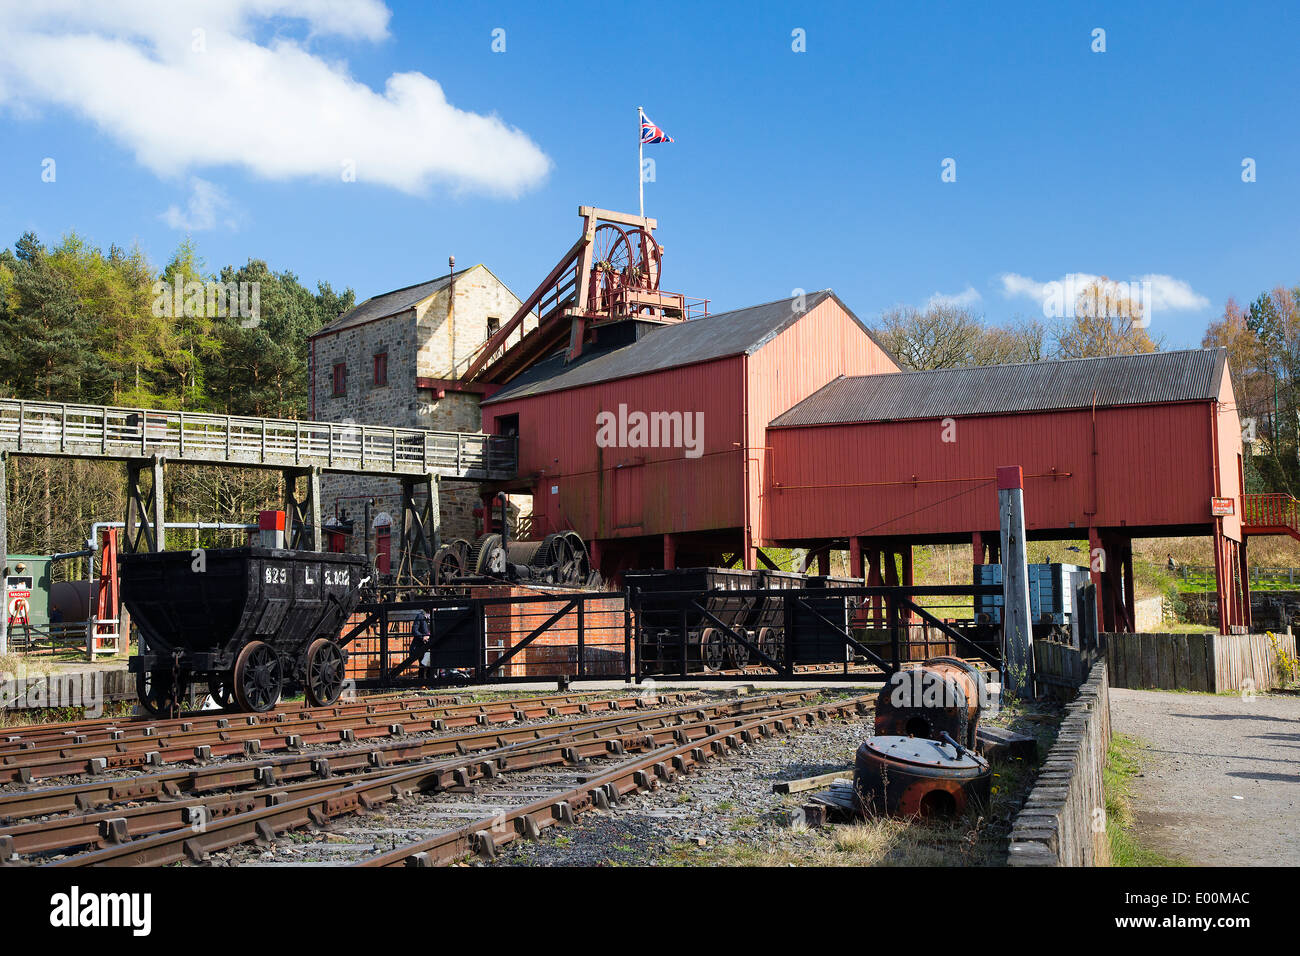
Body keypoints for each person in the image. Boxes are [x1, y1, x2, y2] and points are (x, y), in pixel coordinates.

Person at [411, 609, 432, 685]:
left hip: (432, 644)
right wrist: (423, 637)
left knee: (431, 665)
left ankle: (430, 683)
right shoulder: (420, 616)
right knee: (423, 664)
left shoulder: (434, 616)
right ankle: (421, 683)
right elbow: (414, 630)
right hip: (422, 645)